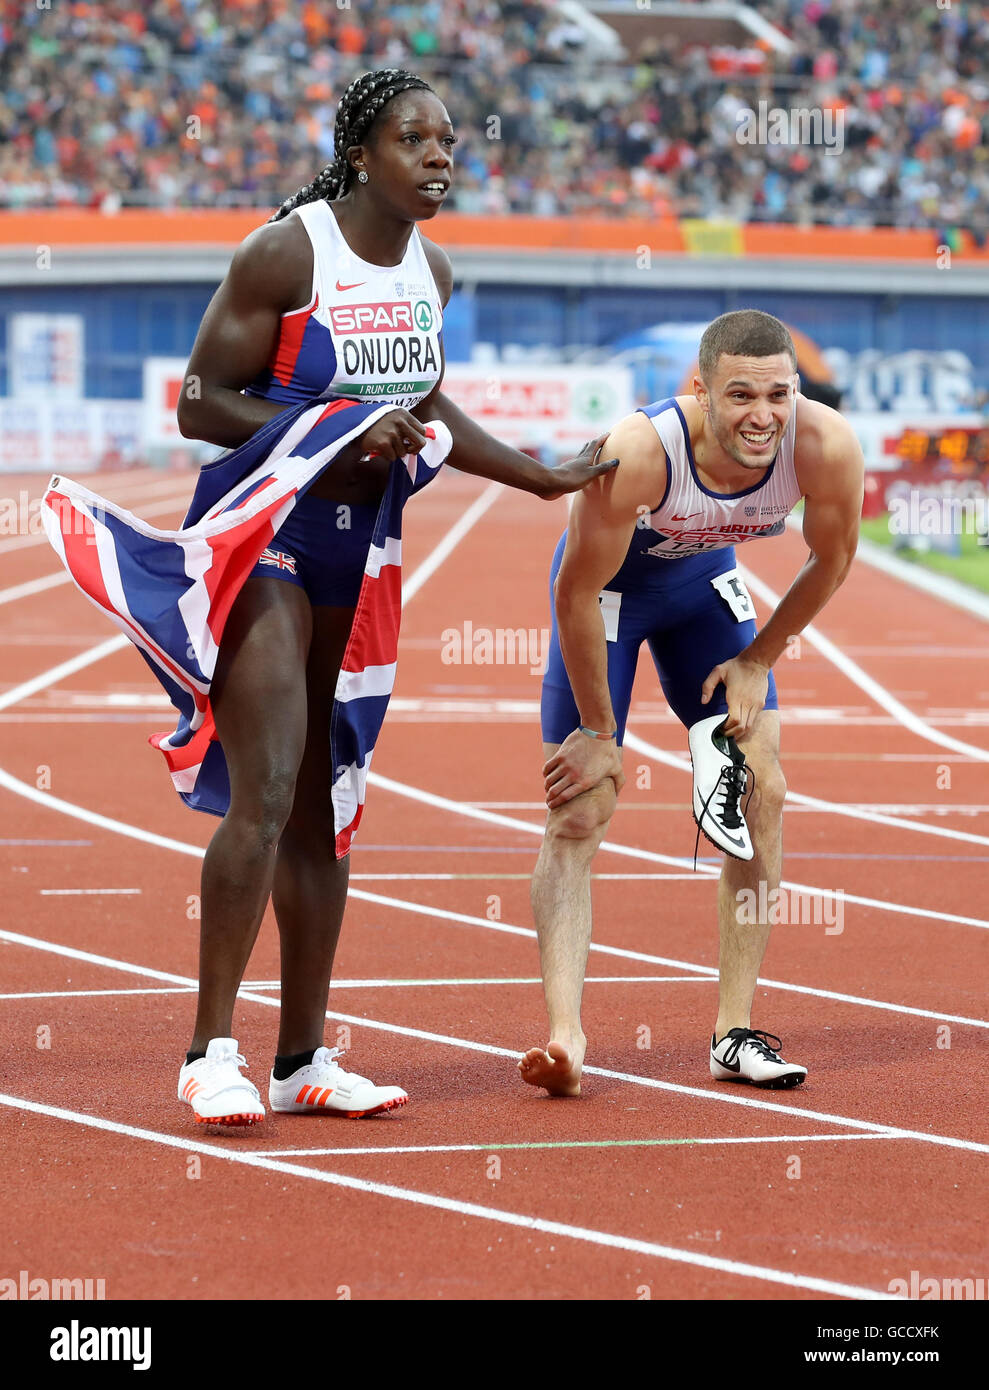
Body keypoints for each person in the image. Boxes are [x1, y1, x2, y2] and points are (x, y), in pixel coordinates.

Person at [49, 68, 616, 1128]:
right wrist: (336, 426)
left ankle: (300, 1057)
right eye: (416, 139)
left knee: (327, 811)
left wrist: (539, 473)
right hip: (264, 538)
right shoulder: (288, 252)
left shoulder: (432, 272)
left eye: (449, 141)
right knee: (263, 790)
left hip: (364, 554)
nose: (441, 156)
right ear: (362, 152)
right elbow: (198, 400)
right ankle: (207, 1050)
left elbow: (425, 396)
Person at [519, 309, 864, 1097]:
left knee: (761, 791)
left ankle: (732, 1035)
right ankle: (565, 1039)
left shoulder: (823, 444)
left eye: (778, 394)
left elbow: (832, 559)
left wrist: (757, 660)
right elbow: (574, 591)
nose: (762, 415)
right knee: (581, 805)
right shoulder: (636, 452)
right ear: (701, 393)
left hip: (701, 591)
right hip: (605, 601)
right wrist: (601, 732)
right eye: (740, 395)